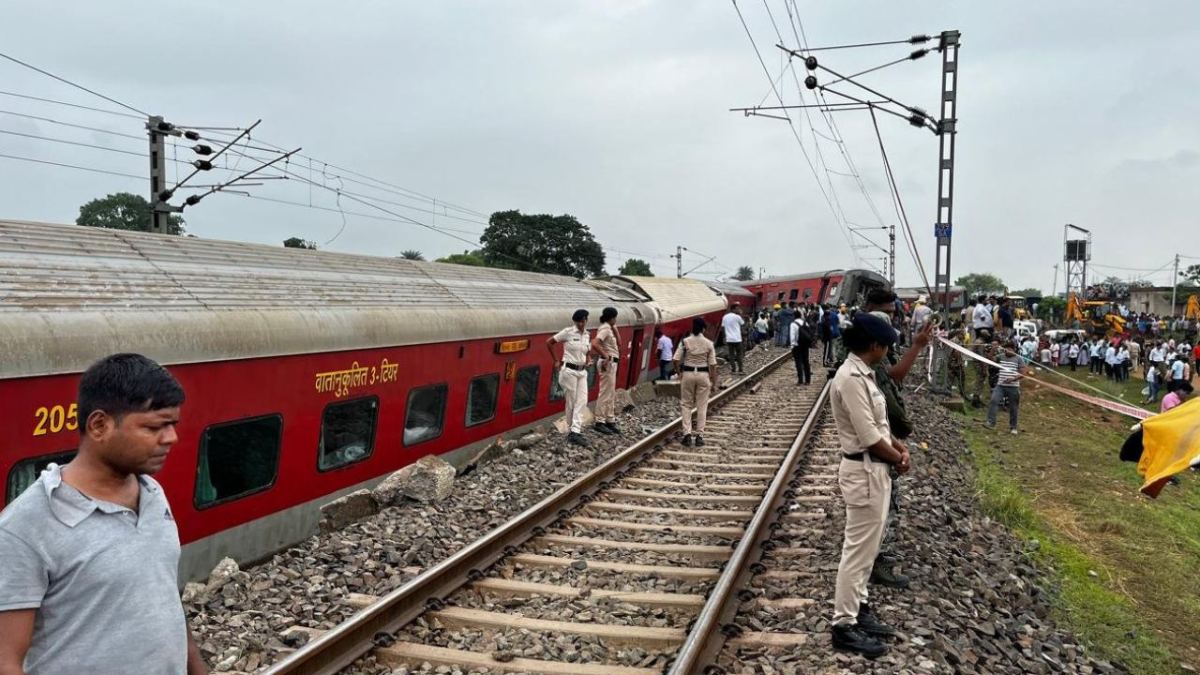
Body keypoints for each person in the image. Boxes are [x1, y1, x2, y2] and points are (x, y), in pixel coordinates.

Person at [0, 353, 208, 675]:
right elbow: (6, 661)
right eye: (155, 426)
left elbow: (162, 593)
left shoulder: (153, 494)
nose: (171, 438)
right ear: (99, 425)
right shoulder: (25, 527)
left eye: (172, 424)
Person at [828, 313, 909, 658]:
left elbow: (879, 425)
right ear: (874, 346)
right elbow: (868, 437)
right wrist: (897, 457)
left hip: (874, 471)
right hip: (864, 472)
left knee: (867, 549)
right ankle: (843, 625)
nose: (888, 351)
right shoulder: (849, 379)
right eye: (887, 345)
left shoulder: (865, 375)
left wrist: (897, 446)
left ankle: (859, 608)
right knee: (857, 551)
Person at [547, 309, 592, 446]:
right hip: (569, 371)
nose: (581, 324)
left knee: (582, 400)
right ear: (575, 321)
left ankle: (575, 430)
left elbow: (587, 350)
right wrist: (556, 360)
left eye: (583, 321)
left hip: (582, 371)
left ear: (586, 321)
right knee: (571, 401)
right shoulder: (567, 332)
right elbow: (549, 342)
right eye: (579, 321)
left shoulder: (587, 335)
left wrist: (588, 359)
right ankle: (573, 431)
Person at [674, 317, 718, 447]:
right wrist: (713, 380)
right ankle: (699, 435)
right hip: (703, 374)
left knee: (686, 405)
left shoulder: (685, 342)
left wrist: (679, 373)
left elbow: (675, 360)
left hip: (687, 374)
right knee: (702, 406)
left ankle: (687, 434)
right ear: (704, 329)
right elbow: (713, 365)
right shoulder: (709, 343)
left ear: (692, 328)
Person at [591, 307, 621, 435]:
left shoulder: (609, 328)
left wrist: (614, 328)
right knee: (605, 393)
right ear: (612, 317)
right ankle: (599, 421)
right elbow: (595, 343)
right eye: (615, 318)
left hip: (612, 363)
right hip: (607, 363)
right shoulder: (604, 328)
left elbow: (619, 343)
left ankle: (609, 419)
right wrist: (605, 356)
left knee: (610, 393)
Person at [986, 344, 1024, 434]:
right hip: (1000, 386)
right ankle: (991, 422)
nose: (1007, 350)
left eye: (1010, 349)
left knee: (1013, 407)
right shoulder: (1001, 357)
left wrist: (1013, 379)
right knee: (994, 400)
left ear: (1014, 350)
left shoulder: (1019, 359)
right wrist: (993, 350)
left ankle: (1013, 427)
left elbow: (1022, 373)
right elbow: (990, 360)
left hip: (1013, 387)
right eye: (1006, 349)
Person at [789, 309, 814, 385]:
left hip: (797, 345)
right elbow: (809, 333)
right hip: (805, 345)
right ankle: (808, 380)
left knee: (798, 363)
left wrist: (792, 345)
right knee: (806, 362)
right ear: (800, 316)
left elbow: (792, 336)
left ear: (794, 316)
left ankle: (800, 380)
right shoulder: (805, 323)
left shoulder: (793, 324)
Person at [722, 304, 746, 374]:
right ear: (734, 309)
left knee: (731, 355)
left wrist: (724, 337)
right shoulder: (737, 317)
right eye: (737, 309)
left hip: (729, 339)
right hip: (737, 339)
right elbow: (743, 324)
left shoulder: (725, 317)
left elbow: (723, 328)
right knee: (739, 354)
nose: (738, 310)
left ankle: (733, 370)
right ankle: (741, 370)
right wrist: (741, 314)